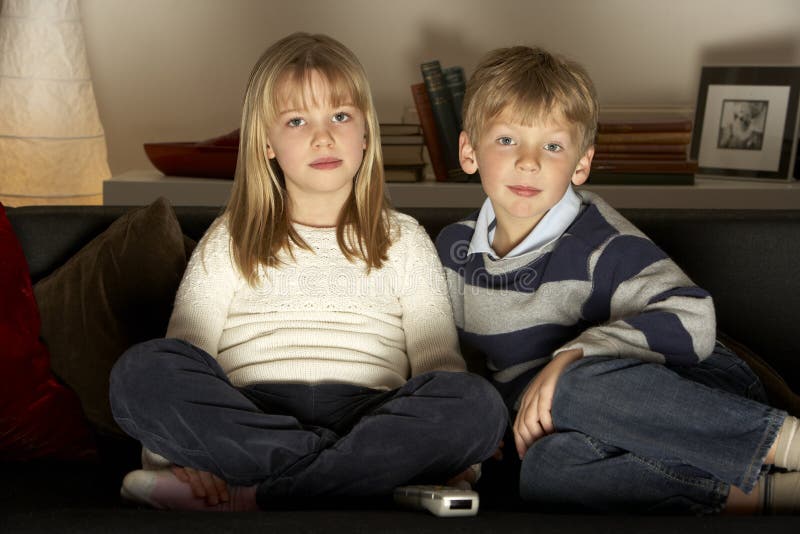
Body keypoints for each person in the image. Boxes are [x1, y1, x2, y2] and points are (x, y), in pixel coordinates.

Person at [110, 32, 506, 512]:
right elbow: (188, 349)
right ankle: (363, 478)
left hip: (369, 417)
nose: (324, 136)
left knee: (476, 405)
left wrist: (459, 451)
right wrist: (176, 449)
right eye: (297, 120)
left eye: (340, 116)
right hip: (251, 412)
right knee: (140, 372)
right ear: (268, 144)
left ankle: (256, 492)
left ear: (364, 134)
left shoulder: (404, 239)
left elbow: (436, 361)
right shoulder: (232, 235)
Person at [435, 45, 800, 515]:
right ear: (469, 151)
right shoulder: (455, 251)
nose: (529, 162)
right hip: (578, 425)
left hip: (691, 390)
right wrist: (468, 442)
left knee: (572, 387)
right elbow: (453, 363)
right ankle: (764, 495)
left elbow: (694, 318)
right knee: (545, 470)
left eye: (552, 146)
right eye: (507, 140)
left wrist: (573, 356)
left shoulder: (596, 241)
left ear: (581, 164)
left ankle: (787, 444)